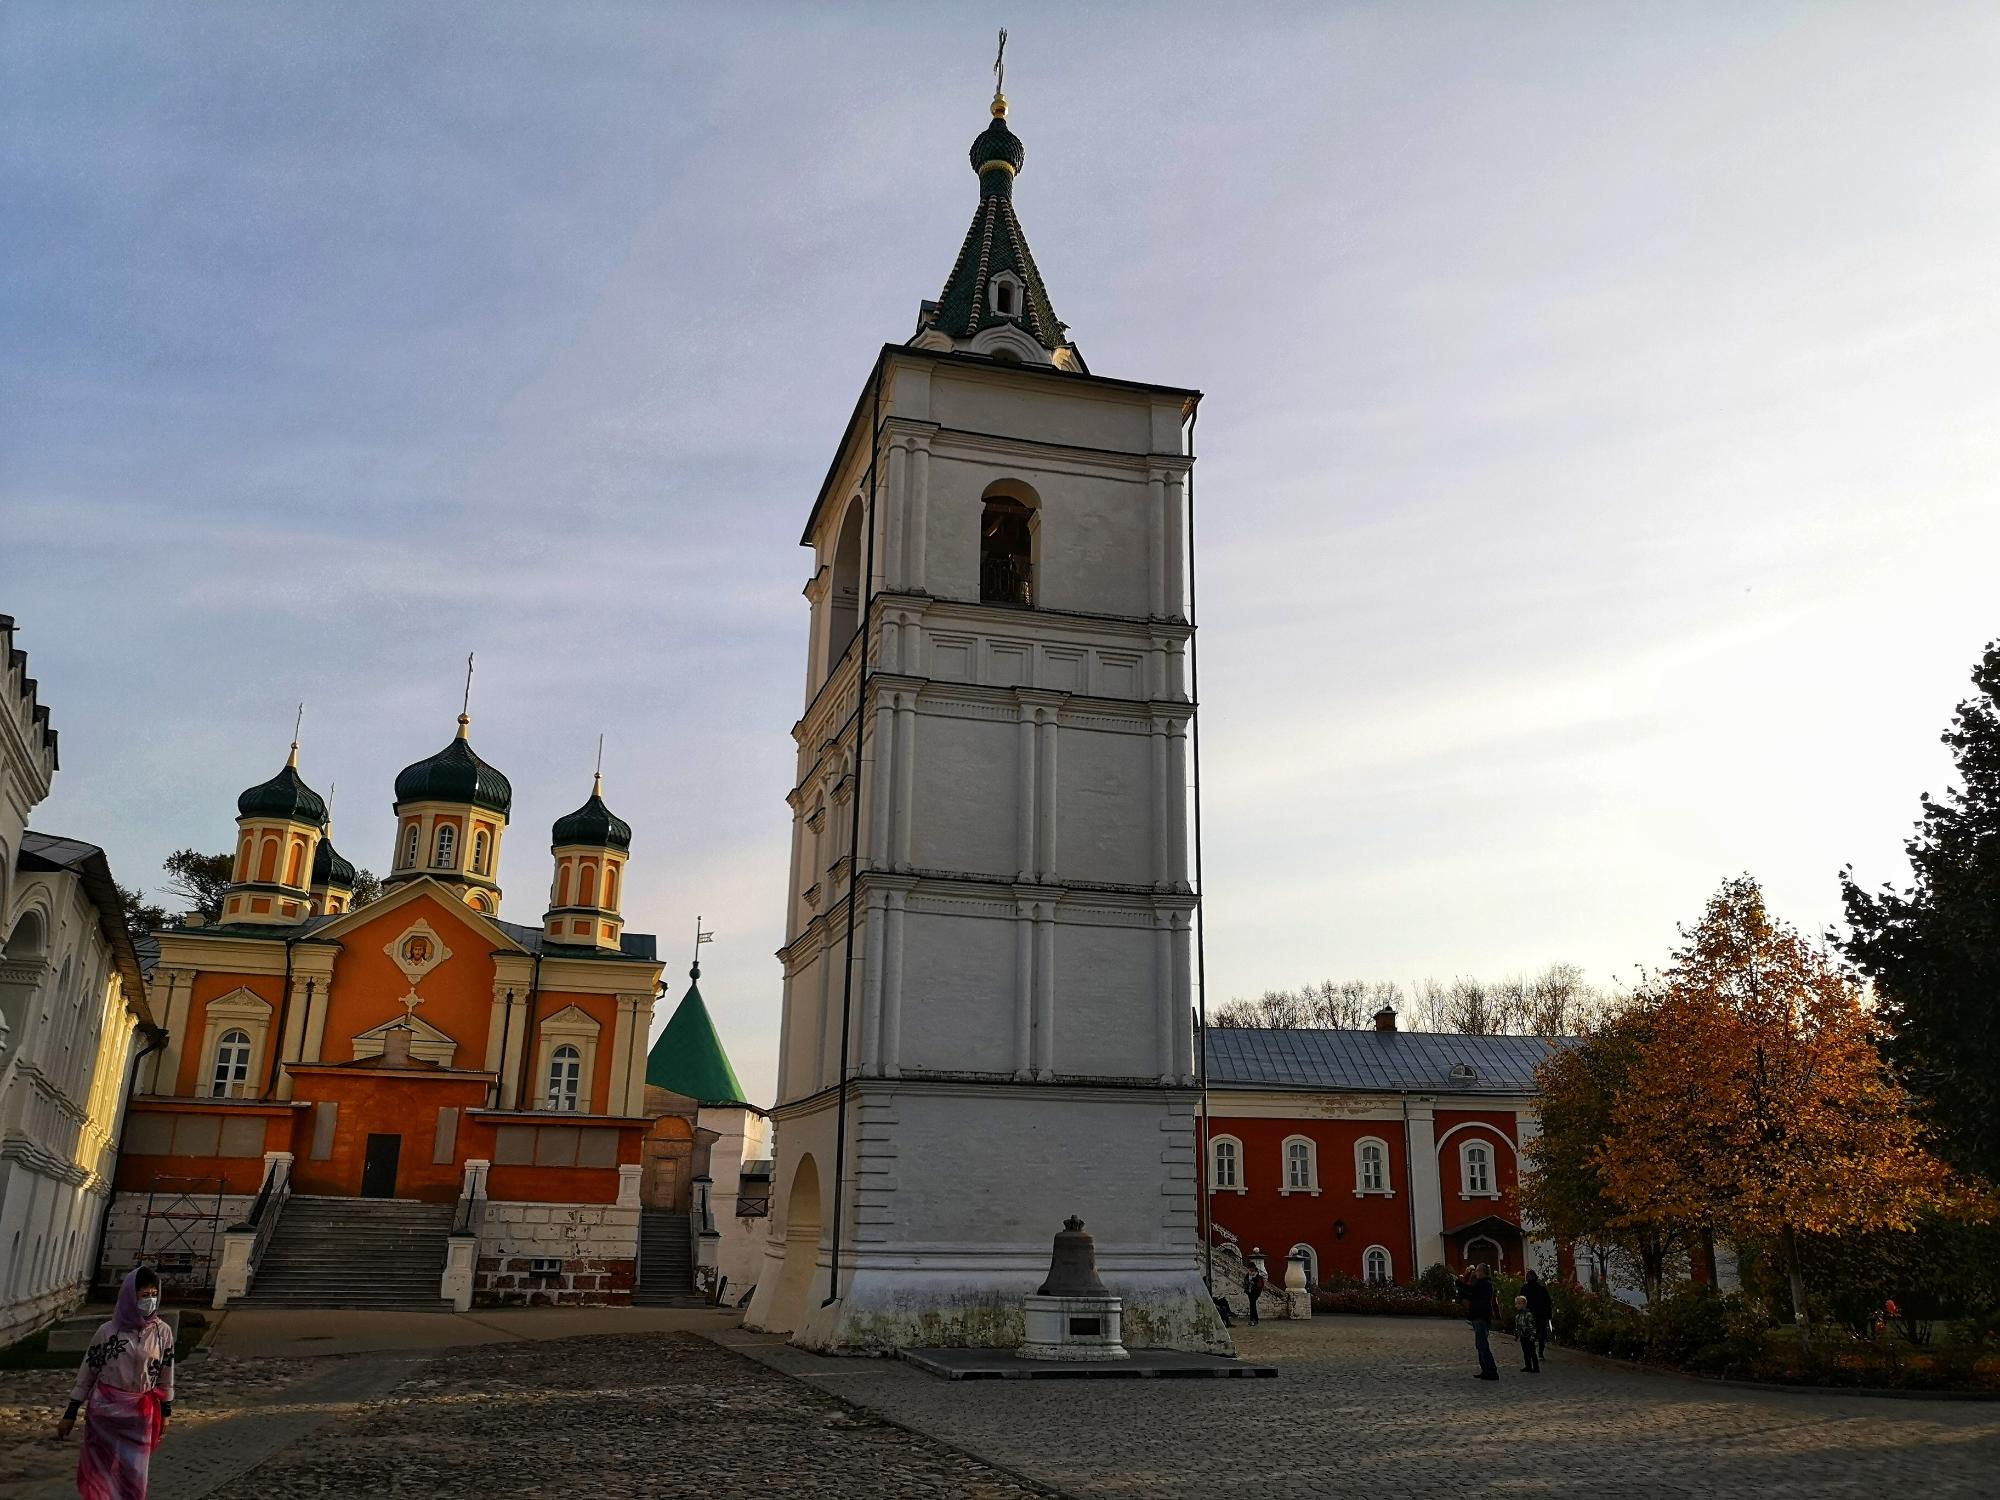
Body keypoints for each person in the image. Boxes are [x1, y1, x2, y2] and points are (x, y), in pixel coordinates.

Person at [52, 1266, 175, 1499]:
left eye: (153, 1294)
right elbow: (88, 1371)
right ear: (131, 1296)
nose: (150, 1300)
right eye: (144, 1295)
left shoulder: (162, 1332)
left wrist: (166, 1410)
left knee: (135, 1470)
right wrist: (70, 1413)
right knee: (101, 1468)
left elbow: (166, 1372)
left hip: (140, 1412)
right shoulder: (108, 1332)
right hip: (105, 1412)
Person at [1456, 1261, 1499, 1380]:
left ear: (1483, 1272)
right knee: (1480, 1346)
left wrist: (1460, 1284)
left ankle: (1491, 1371)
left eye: (1478, 1271)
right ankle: (1485, 1370)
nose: (1475, 1273)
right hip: (1477, 1316)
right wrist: (1461, 1291)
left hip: (1481, 1316)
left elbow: (1472, 1291)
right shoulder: (1480, 1283)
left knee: (1483, 1346)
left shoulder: (1485, 1283)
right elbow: (1471, 1295)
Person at [1523, 1268, 1553, 1361]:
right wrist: (1549, 1315)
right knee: (1541, 1335)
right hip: (1541, 1315)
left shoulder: (1524, 1289)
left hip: (1529, 1315)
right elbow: (1548, 1302)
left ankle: (1532, 1353)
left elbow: (1521, 1302)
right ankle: (1540, 1353)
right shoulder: (1541, 1289)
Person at [1512, 1293, 1540, 1372]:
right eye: (1516, 1304)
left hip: (1529, 1336)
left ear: (1524, 1304)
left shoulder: (1528, 1314)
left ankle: (1535, 1367)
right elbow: (1518, 1327)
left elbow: (1532, 1326)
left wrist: (1533, 1336)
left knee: (1532, 1352)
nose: (1516, 1306)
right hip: (1523, 1336)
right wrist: (1517, 1335)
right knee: (1525, 1352)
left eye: (1518, 1304)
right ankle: (1528, 1366)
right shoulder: (1518, 1316)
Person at [1243, 1259, 1267, 1328]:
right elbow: (1245, 1281)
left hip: (1255, 1292)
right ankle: (1254, 1319)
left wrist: (1254, 1284)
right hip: (1249, 1292)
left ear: (1254, 1268)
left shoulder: (1258, 1276)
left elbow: (1259, 1285)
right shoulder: (1248, 1274)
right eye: (1249, 1268)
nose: (1250, 1269)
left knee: (1252, 1304)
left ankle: (1253, 1319)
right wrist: (1248, 1283)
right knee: (1252, 1305)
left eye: (1251, 1268)